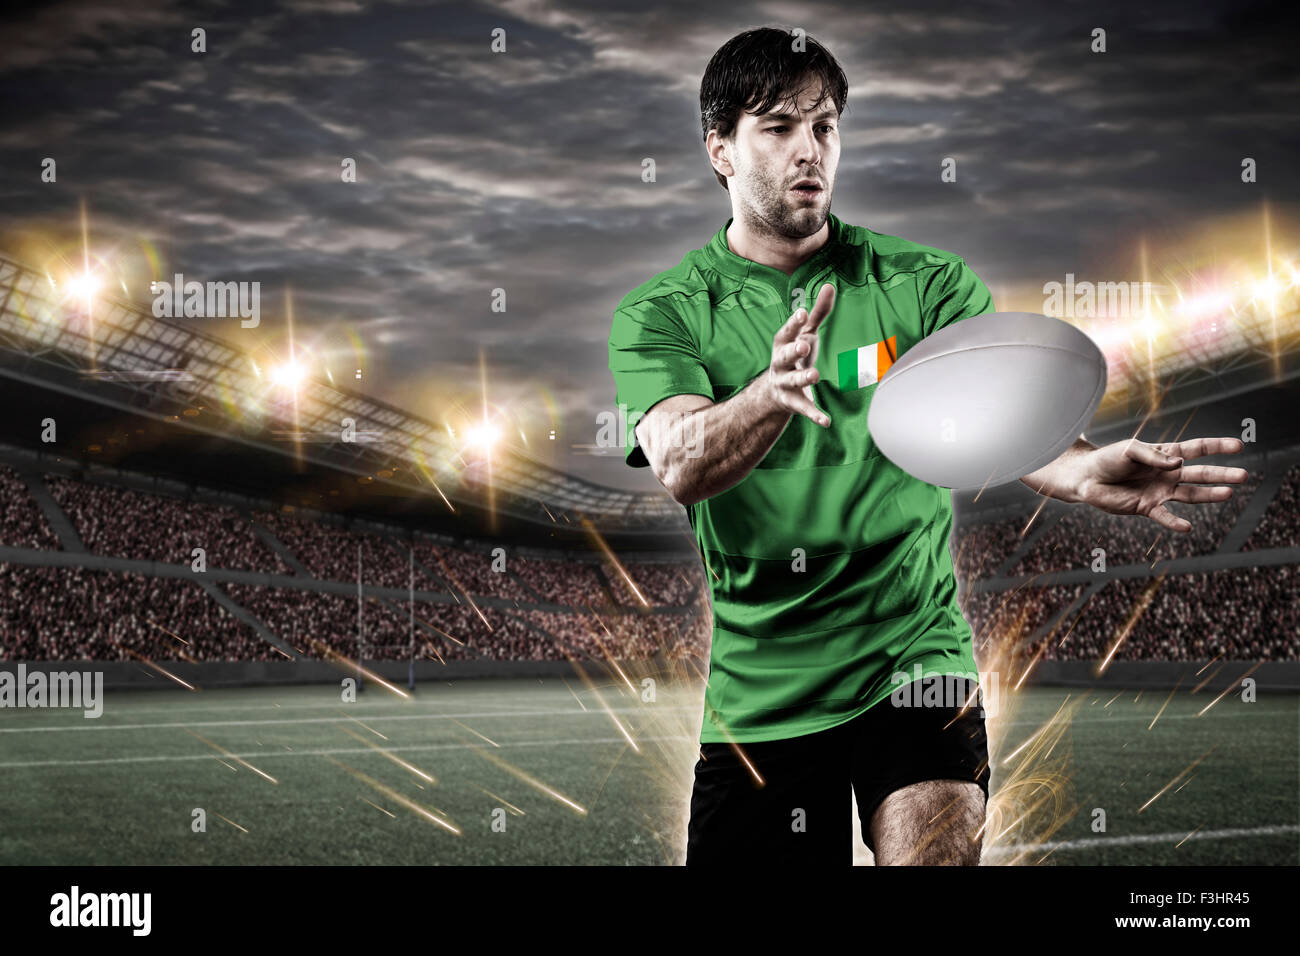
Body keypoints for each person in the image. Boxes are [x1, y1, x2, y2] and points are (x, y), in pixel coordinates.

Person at [607, 26, 1248, 866]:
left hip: (917, 660)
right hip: (760, 693)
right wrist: (768, 394)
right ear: (719, 149)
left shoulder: (927, 285)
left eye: (825, 126)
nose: (811, 150)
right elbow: (683, 463)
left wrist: (1081, 465)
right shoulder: (663, 312)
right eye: (778, 126)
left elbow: (997, 417)